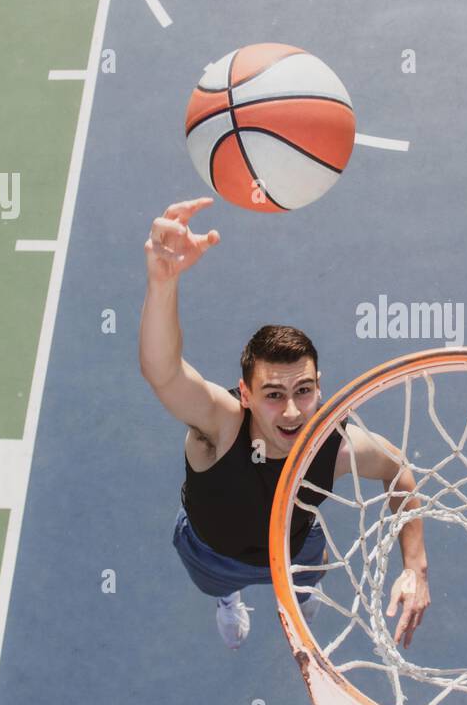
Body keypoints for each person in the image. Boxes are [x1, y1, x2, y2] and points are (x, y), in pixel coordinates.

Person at [139, 198, 430, 650]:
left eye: (304, 391)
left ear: (319, 386)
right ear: (246, 393)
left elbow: (399, 472)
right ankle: (228, 600)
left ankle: (298, 591)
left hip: (297, 549)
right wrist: (163, 282)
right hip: (214, 553)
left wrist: (415, 567)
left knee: (306, 578)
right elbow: (164, 371)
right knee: (216, 585)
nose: (292, 411)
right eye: (273, 395)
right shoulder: (220, 427)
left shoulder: (337, 443)